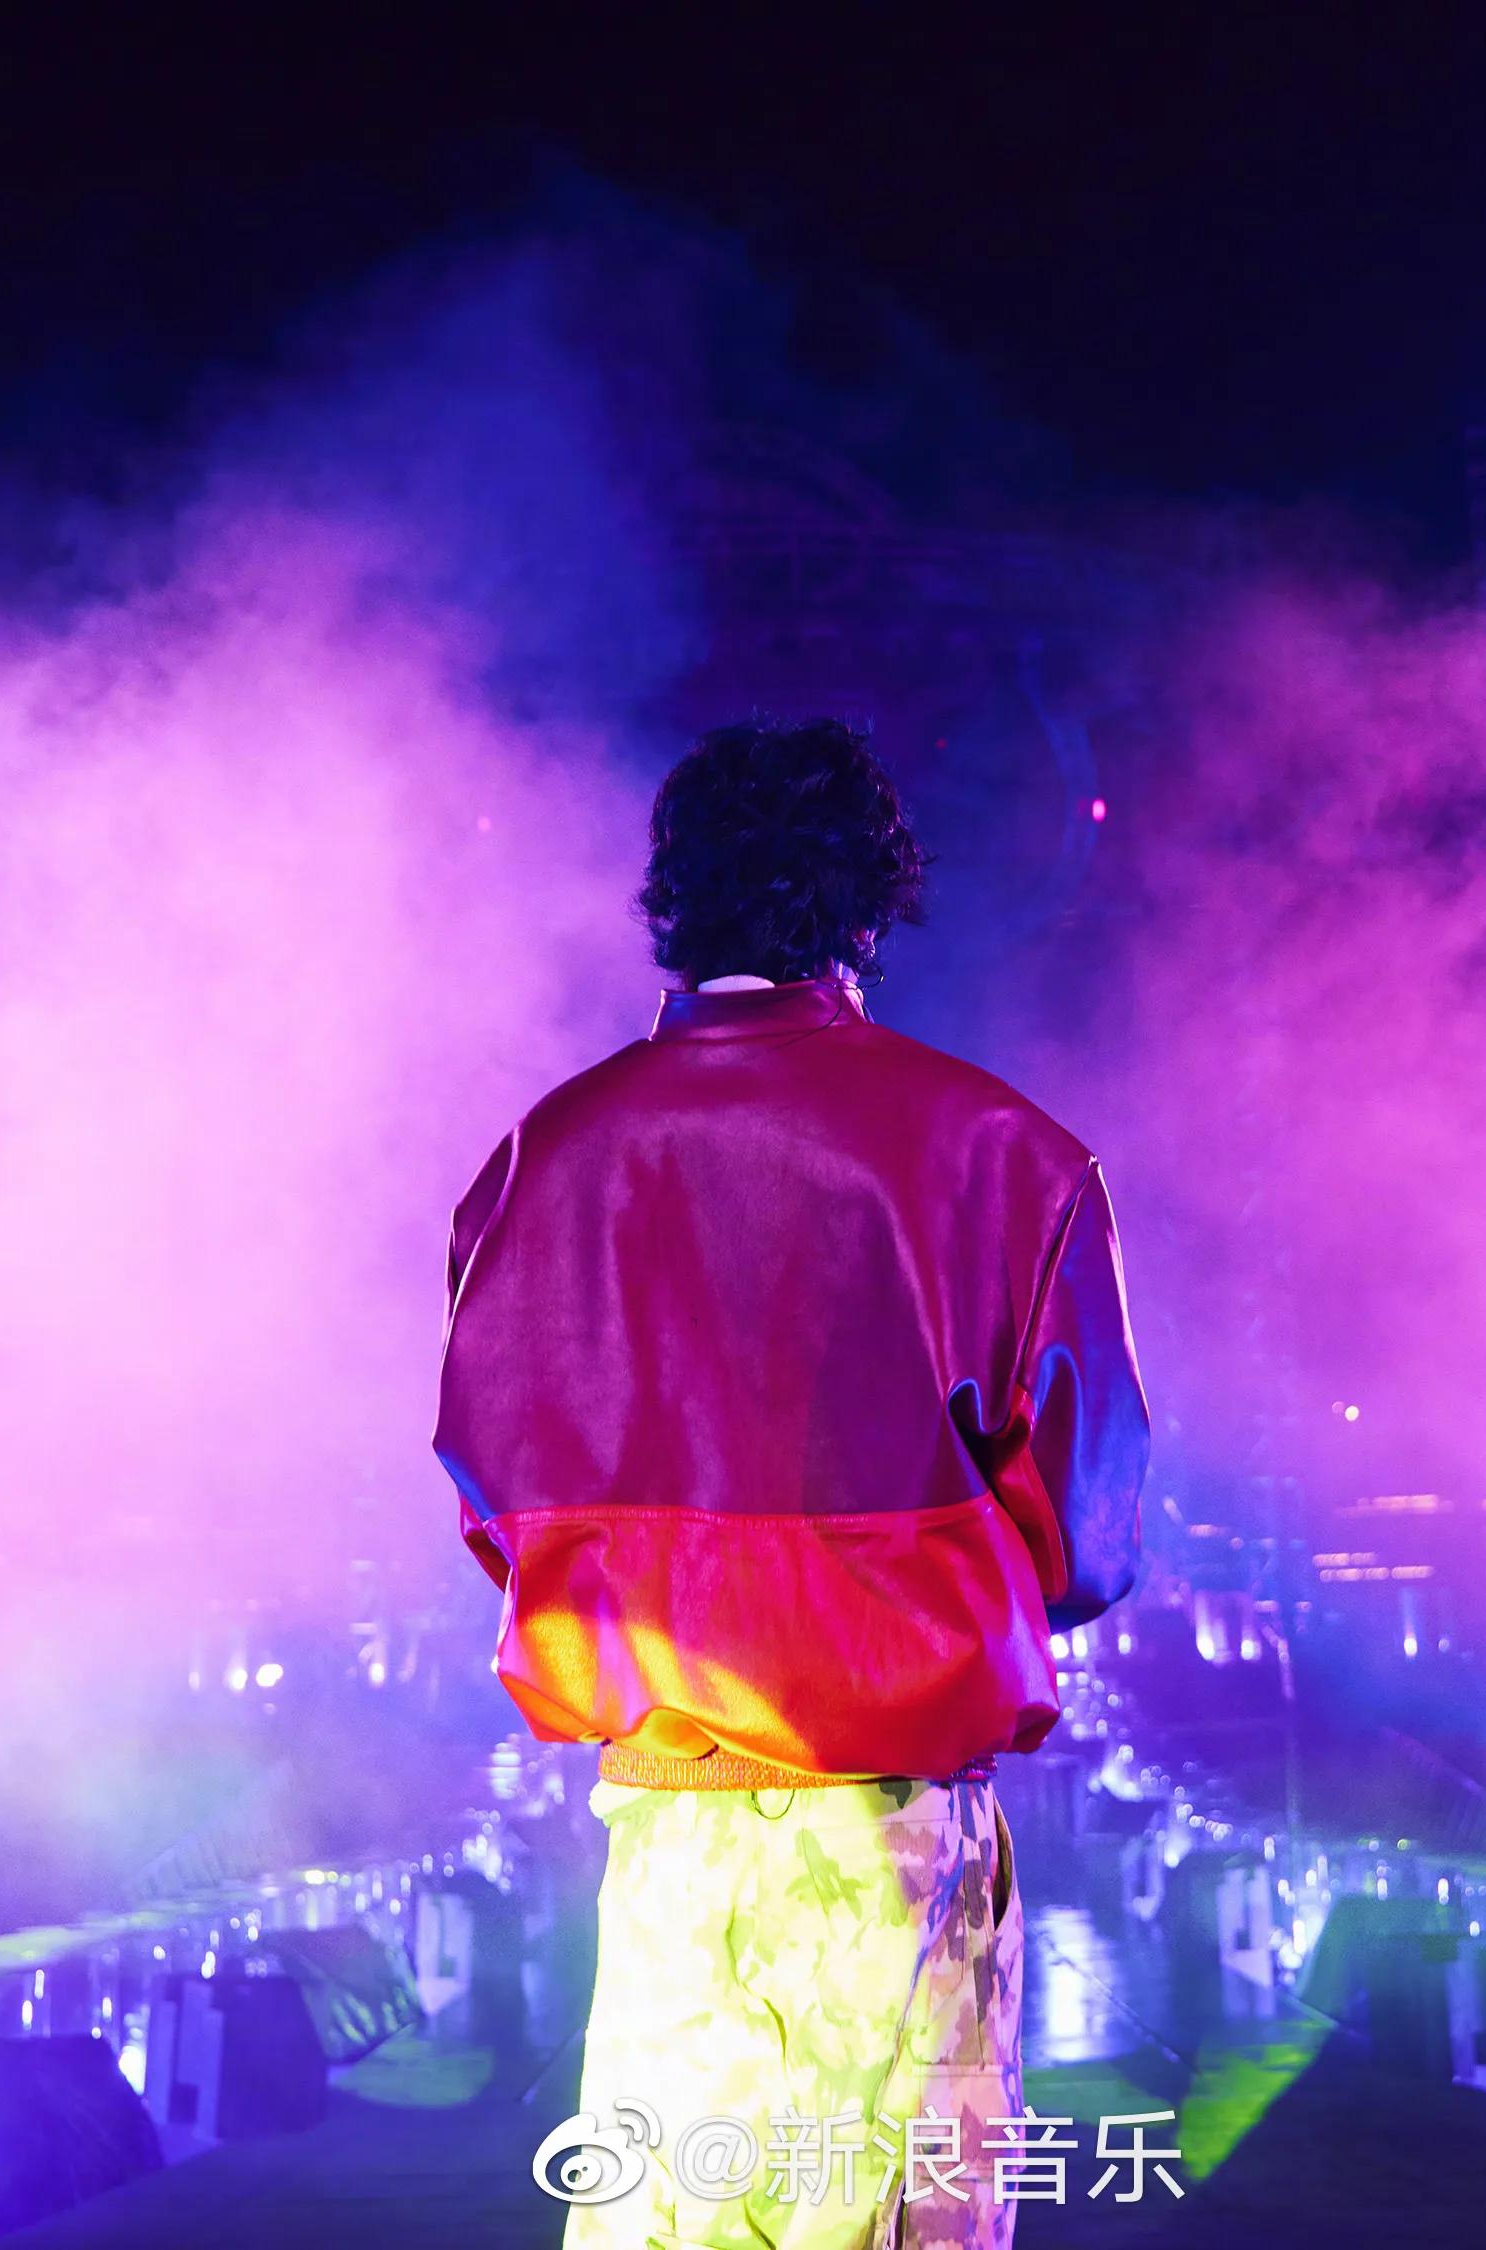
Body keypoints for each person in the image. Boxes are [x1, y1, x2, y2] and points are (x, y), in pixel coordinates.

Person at [436, 717, 1148, 2250]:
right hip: (897, 1820)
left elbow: (497, 1493)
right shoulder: (1008, 1154)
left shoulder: (537, 1161)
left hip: (666, 1822)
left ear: (671, 900)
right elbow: (1089, 1535)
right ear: (870, 911)